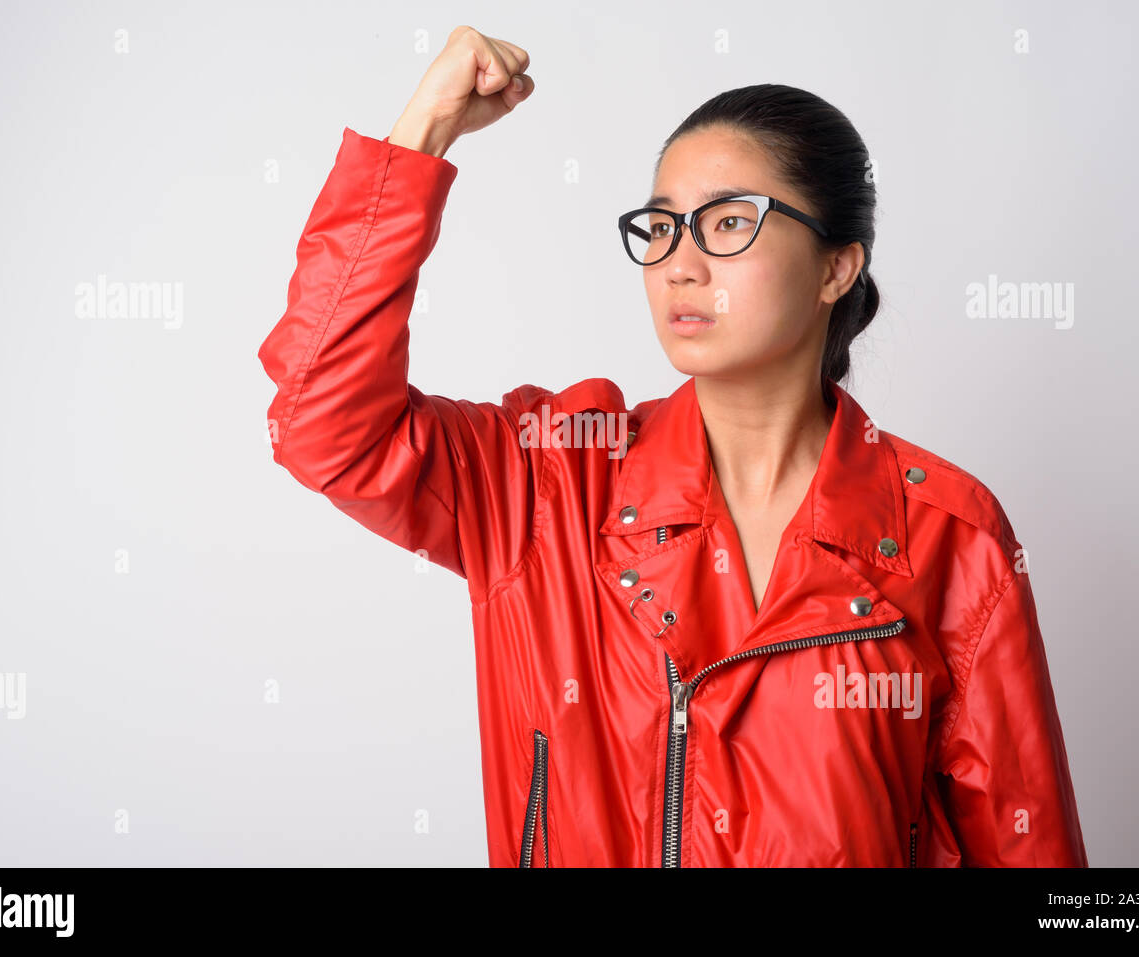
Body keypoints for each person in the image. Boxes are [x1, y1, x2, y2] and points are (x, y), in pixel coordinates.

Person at [257, 25, 1088, 867]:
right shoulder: (547, 479)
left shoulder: (949, 535)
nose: (679, 264)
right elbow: (321, 420)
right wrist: (423, 133)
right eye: (660, 228)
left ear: (838, 267)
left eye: (728, 222)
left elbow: (1033, 853)